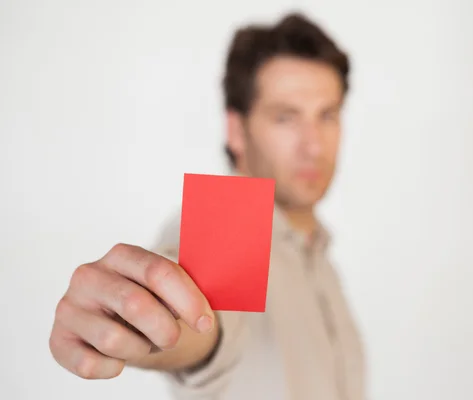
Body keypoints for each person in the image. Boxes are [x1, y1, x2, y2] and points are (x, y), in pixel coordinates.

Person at [49, 12, 365, 400]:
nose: (314, 145)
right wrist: (136, 315)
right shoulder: (226, 227)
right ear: (236, 129)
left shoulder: (318, 252)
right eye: (286, 117)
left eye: (327, 116)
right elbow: (206, 327)